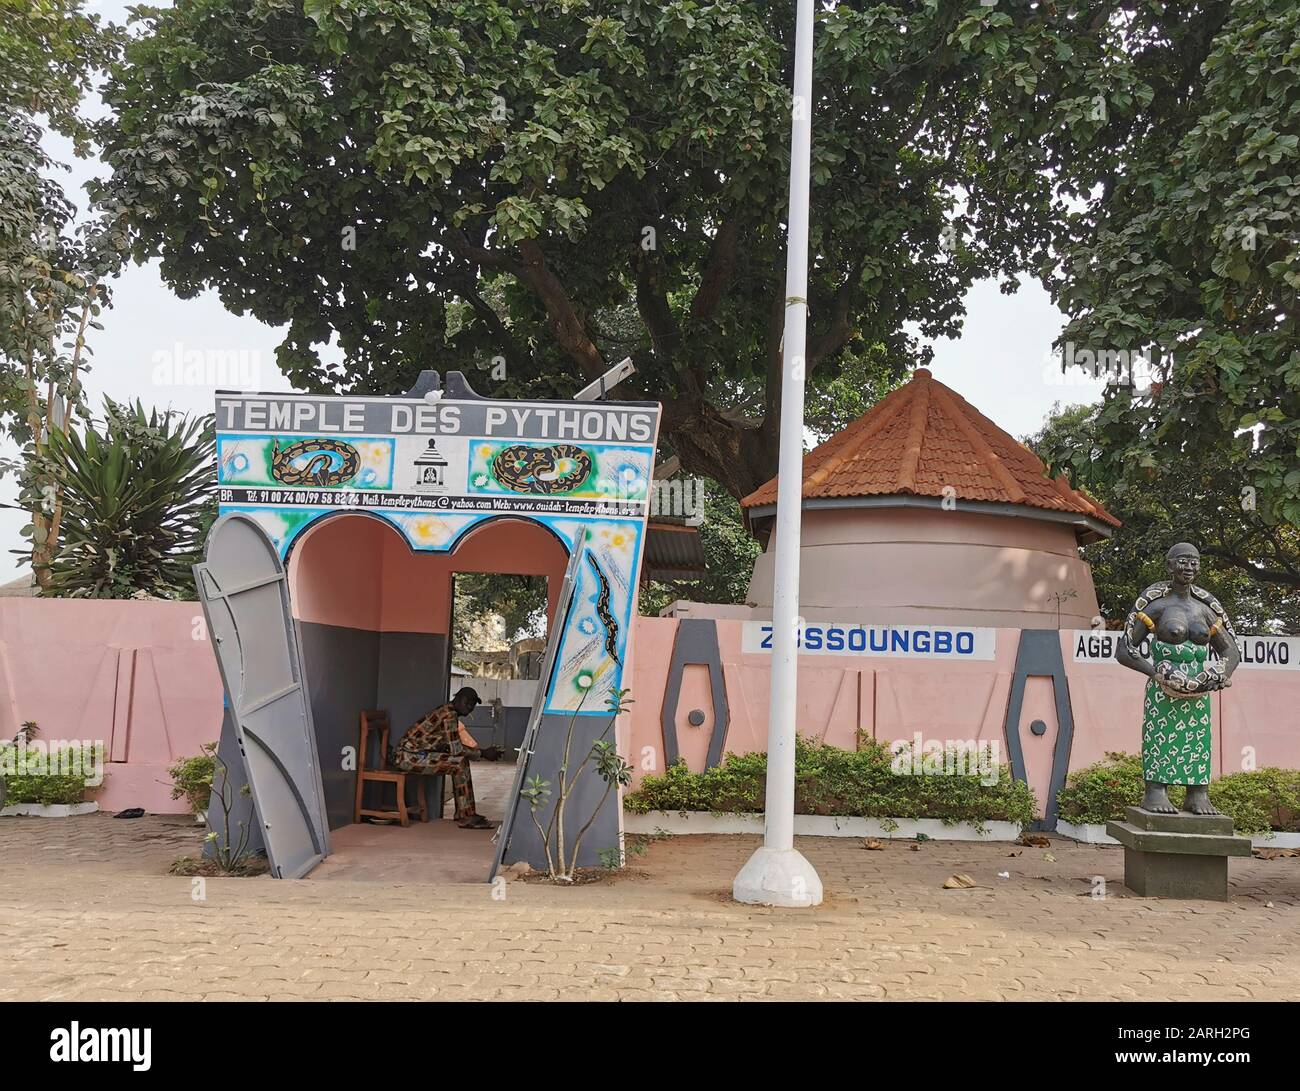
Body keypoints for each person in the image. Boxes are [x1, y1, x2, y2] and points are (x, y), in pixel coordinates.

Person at [1115, 542, 1241, 815]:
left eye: (1194, 561)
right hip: (1164, 686)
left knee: (1198, 739)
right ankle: (1156, 792)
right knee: (1160, 737)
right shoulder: (1156, 607)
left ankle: (1197, 794)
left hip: (1199, 687)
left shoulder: (1206, 611)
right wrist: (1156, 674)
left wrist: (1220, 674)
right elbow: (1125, 650)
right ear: (1170, 565)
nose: (1189, 566)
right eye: (1183, 561)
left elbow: (1230, 651)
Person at [392, 687, 501, 829]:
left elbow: (450, 747)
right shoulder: (449, 715)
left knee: (460, 762)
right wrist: (483, 753)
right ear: (460, 700)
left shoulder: (447, 711)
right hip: (408, 757)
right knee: (459, 764)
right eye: (469, 704)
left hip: (415, 754)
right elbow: (456, 750)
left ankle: (465, 813)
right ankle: (466, 815)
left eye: (472, 706)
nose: (470, 710)